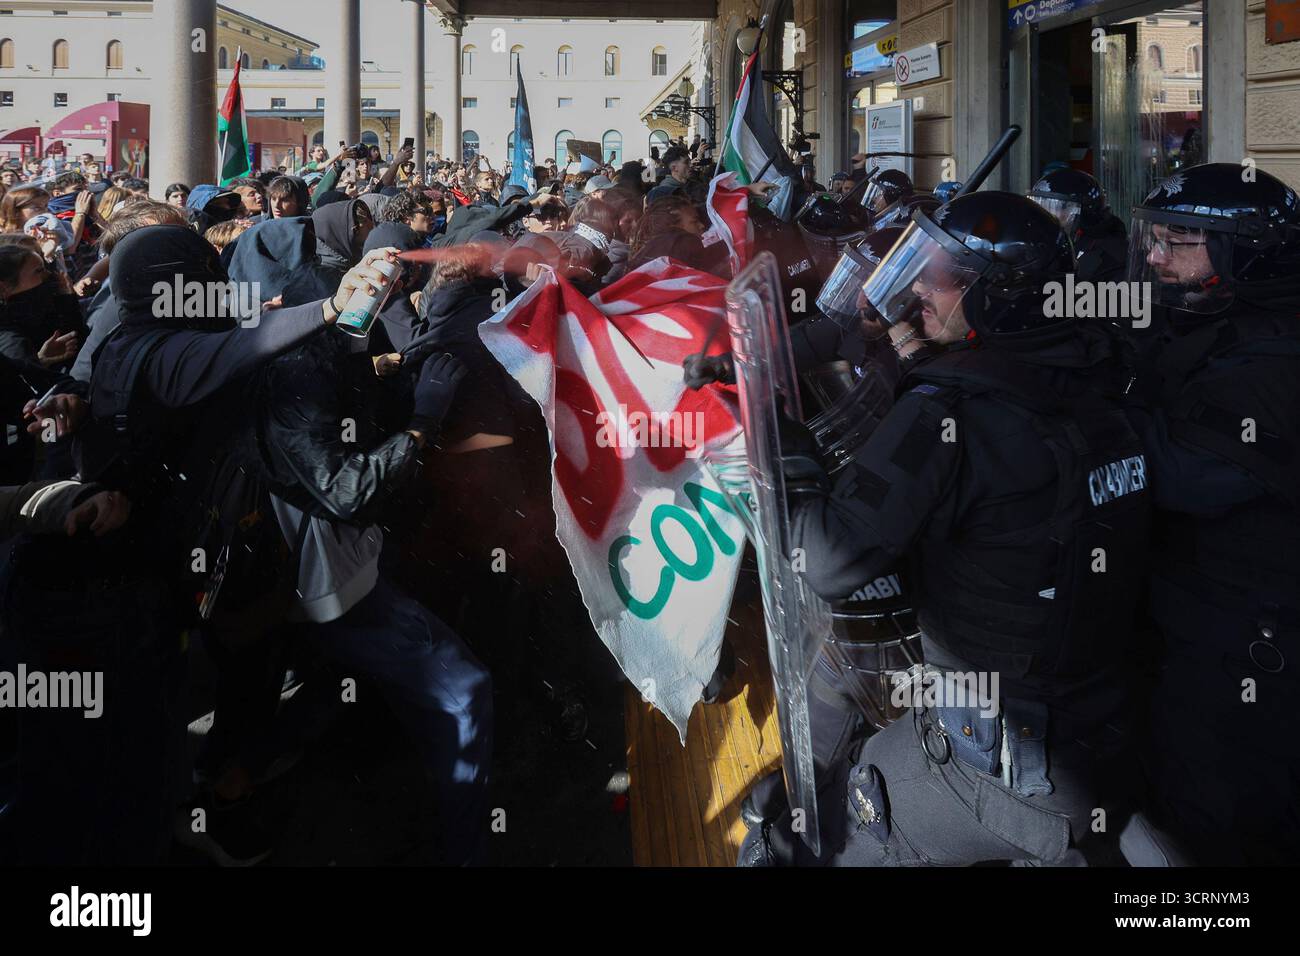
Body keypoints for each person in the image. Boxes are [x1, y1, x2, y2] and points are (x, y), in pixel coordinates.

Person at [740, 192, 1152, 867]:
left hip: (1006, 765)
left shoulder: (951, 411)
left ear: (999, 298)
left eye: (940, 275)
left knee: (795, 836)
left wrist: (785, 449)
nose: (918, 288)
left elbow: (827, 560)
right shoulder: (1099, 374)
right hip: (1102, 721)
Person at [1123, 163, 1300, 865]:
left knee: (1216, 829)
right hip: (1191, 622)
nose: (1158, 257)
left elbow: (1181, 476)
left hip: (1249, 647)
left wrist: (1103, 411)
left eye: (1180, 242)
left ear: (1246, 253)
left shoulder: (1275, 358)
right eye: (1155, 240)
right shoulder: (1211, 322)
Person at [1028, 168, 1128, 284]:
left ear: (1084, 213)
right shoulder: (1046, 244)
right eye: (1040, 205)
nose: (1046, 214)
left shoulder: (1114, 256)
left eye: (1056, 207)